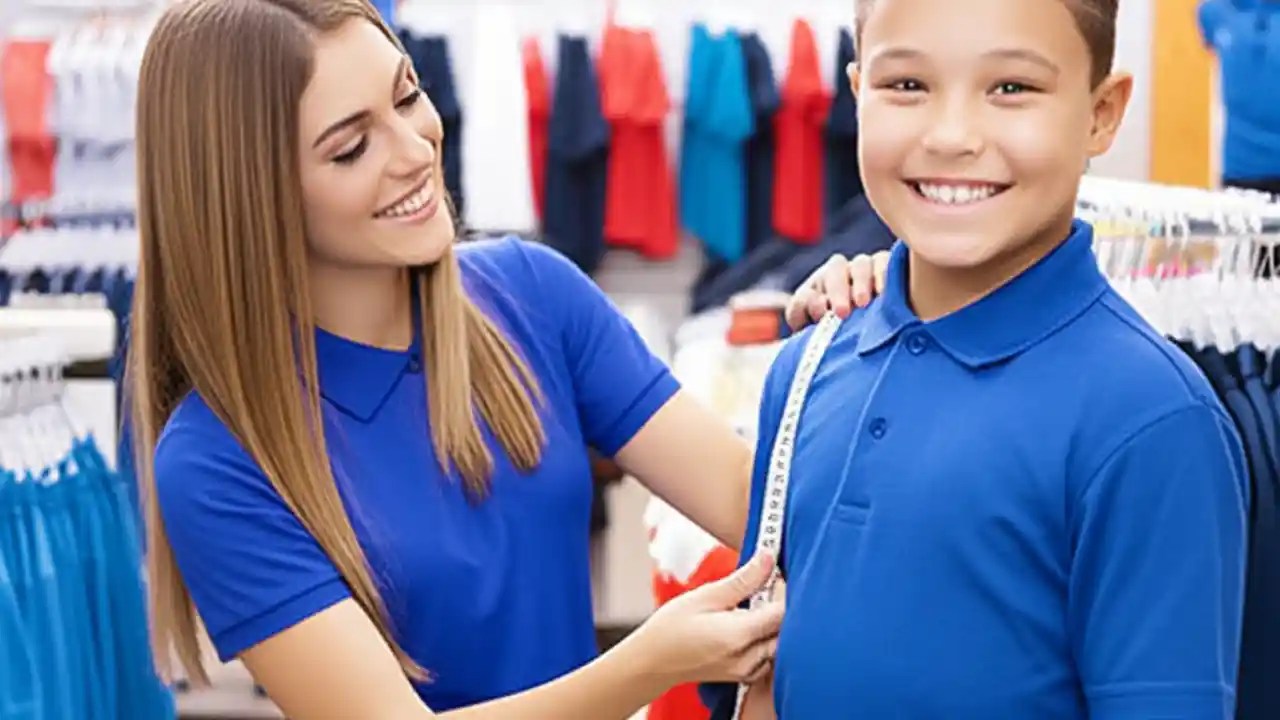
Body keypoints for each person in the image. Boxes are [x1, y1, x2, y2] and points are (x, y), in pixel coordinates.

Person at [123, 0, 881, 717]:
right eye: (352, 146)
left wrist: (884, 326)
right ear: (251, 194)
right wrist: (649, 664)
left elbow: (772, 514)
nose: (416, 148)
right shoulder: (217, 461)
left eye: (408, 95)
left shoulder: (532, 295)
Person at [726, 0, 1251, 717]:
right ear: (857, 94)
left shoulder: (1153, 422)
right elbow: (762, 681)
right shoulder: (806, 371)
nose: (951, 137)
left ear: (1101, 113)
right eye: (907, 85)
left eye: (1011, 89)